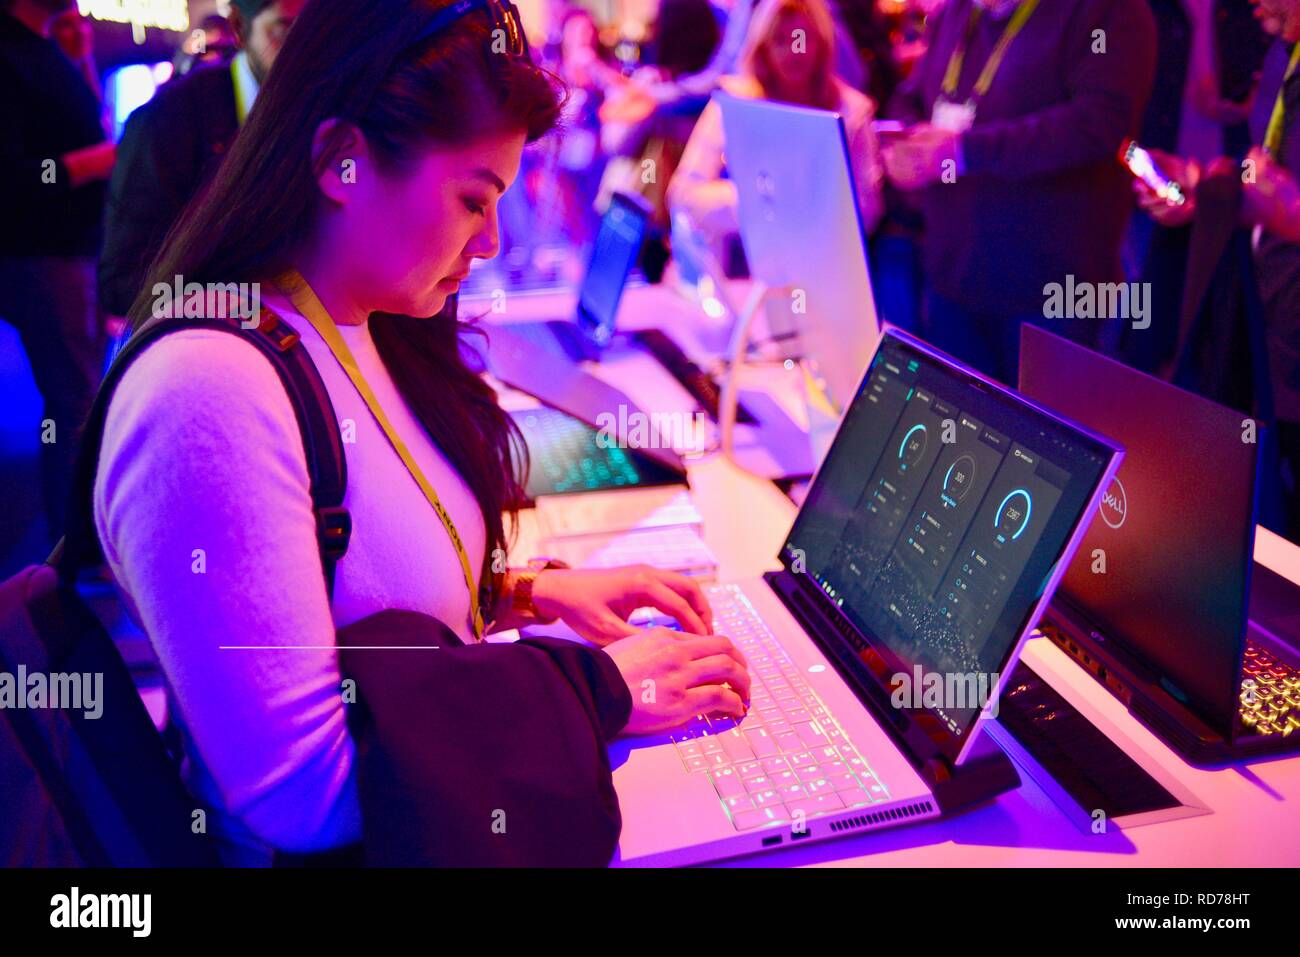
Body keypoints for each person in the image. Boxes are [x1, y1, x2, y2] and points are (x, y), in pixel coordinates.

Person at [94, 0, 749, 864]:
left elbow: (349, 580)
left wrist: (525, 593)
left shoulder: (361, 318)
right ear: (342, 161)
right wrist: (592, 690)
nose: (491, 241)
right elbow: (305, 796)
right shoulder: (205, 392)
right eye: (474, 199)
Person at [882, 0, 1157, 384]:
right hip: (953, 277)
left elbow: (1099, 124)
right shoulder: (959, 11)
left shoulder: (1107, 11)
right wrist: (903, 143)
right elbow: (912, 96)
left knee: (1046, 438)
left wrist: (966, 151)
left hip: (1050, 296)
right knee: (956, 435)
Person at [1137, 0, 1300, 541]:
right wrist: (1204, 183)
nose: (1252, 6)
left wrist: (1292, 214)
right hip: (1271, 336)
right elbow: (1259, 159)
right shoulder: (1282, 52)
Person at [98, 0, 307, 318]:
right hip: (216, 351)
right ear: (239, 26)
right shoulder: (169, 120)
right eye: (287, 29)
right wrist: (244, 309)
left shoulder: (333, 112)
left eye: (318, 31)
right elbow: (123, 284)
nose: (309, 49)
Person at [0, 0, 114, 544]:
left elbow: (88, 125)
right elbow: (16, 178)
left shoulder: (46, 46)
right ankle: (73, 557)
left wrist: (81, 58)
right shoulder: (8, 51)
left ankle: (76, 547)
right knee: (75, 402)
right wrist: (96, 163)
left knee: (77, 398)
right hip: (40, 254)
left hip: (69, 250)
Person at [666, 0, 886, 264]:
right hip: (741, 271)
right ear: (763, 47)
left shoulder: (852, 113)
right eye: (780, 40)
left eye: (802, 39)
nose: (794, 51)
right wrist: (762, 203)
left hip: (825, 267)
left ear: (822, 42)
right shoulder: (733, 105)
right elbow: (683, 195)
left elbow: (868, 210)